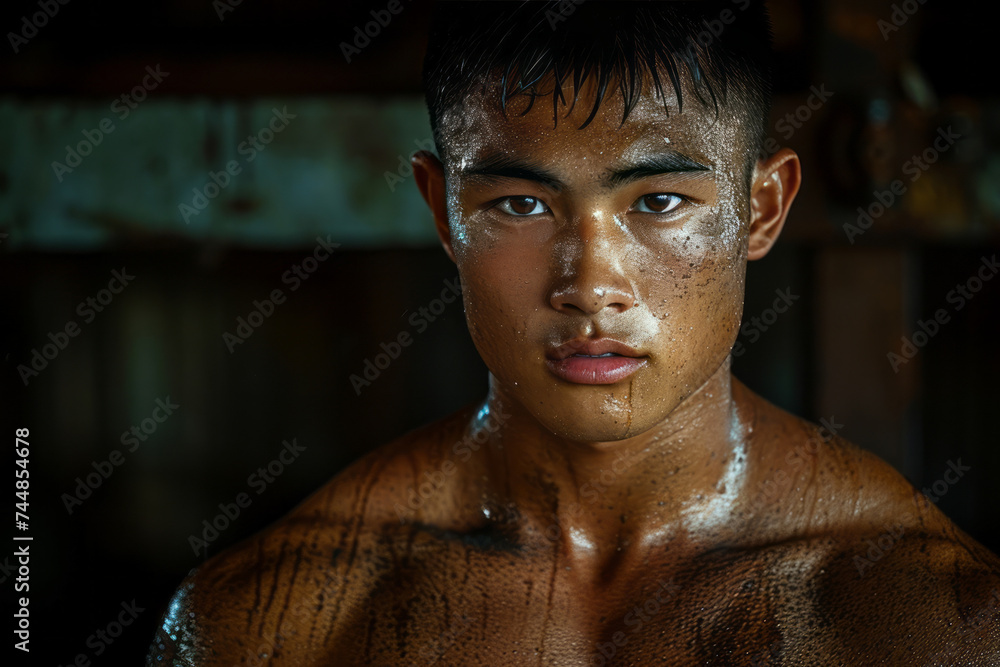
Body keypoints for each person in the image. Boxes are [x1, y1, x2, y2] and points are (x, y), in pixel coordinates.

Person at [147, 2, 1000, 664]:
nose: (591, 284)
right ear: (444, 212)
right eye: (521, 203)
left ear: (762, 208)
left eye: (659, 201)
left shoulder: (940, 617)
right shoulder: (270, 624)